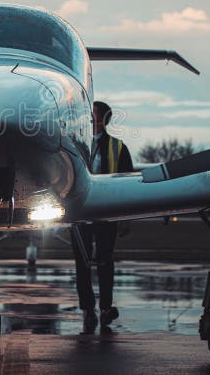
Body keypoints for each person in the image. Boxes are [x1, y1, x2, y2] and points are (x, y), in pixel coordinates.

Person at [72, 101, 134, 332]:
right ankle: (88, 308)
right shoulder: (75, 145)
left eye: (95, 116)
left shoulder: (118, 148)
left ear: (103, 120)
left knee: (106, 260)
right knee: (82, 262)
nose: (91, 120)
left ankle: (106, 307)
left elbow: (129, 183)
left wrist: (126, 217)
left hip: (107, 213)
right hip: (80, 214)